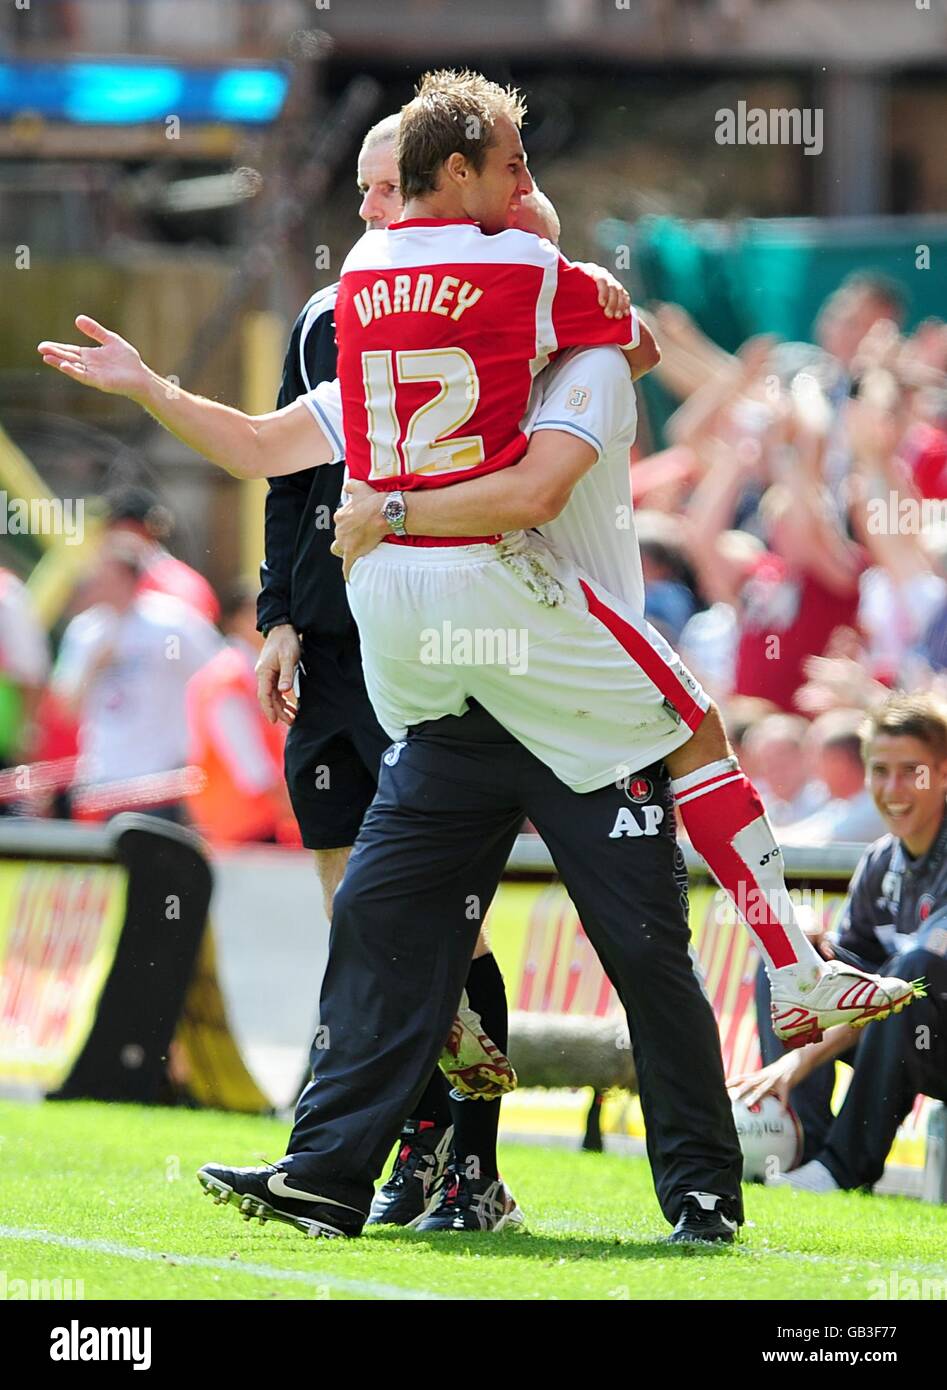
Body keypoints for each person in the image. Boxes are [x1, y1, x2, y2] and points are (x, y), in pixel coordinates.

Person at [37, 70, 918, 1238]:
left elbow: (443, 467)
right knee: (418, 905)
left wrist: (370, 506)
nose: (522, 189)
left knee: (606, 942)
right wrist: (170, 394)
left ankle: (691, 1185)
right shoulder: (528, 315)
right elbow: (335, 448)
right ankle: (339, 1169)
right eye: (511, 171)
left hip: (521, 681)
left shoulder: (453, 324)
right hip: (506, 668)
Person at [254, 112, 522, 1227]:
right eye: (360, 190)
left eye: (385, 188)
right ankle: (395, 1149)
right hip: (319, 650)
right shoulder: (324, 313)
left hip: (411, 646)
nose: (370, 209)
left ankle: (471, 1162)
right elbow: (282, 476)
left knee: (438, 920)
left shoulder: (473, 300)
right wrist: (276, 616)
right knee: (356, 921)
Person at [732, 693, 947, 1194]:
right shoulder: (880, 861)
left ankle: (841, 1170)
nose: (893, 789)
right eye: (880, 771)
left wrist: (797, 1060)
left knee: (910, 974)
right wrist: (804, 948)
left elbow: (902, 988)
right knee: (790, 961)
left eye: (911, 771)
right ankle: (805, 1149)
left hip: (930, 1035)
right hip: (913, 1035)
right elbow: (842, 981)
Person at [52, 539, 221, 821]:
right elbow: (66, 708)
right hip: (104, 778)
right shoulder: (85, 631)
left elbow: (218, 674)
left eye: (107, 575)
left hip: (161, 779)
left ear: (129, 578)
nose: (98, 582)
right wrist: (94, 668)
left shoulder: (171, 622)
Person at [185, 582, 296, 845]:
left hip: (254, 824)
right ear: (236, 621)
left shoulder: (245, 673)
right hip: (245, 829)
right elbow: (254, 771)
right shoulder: (228, 679)